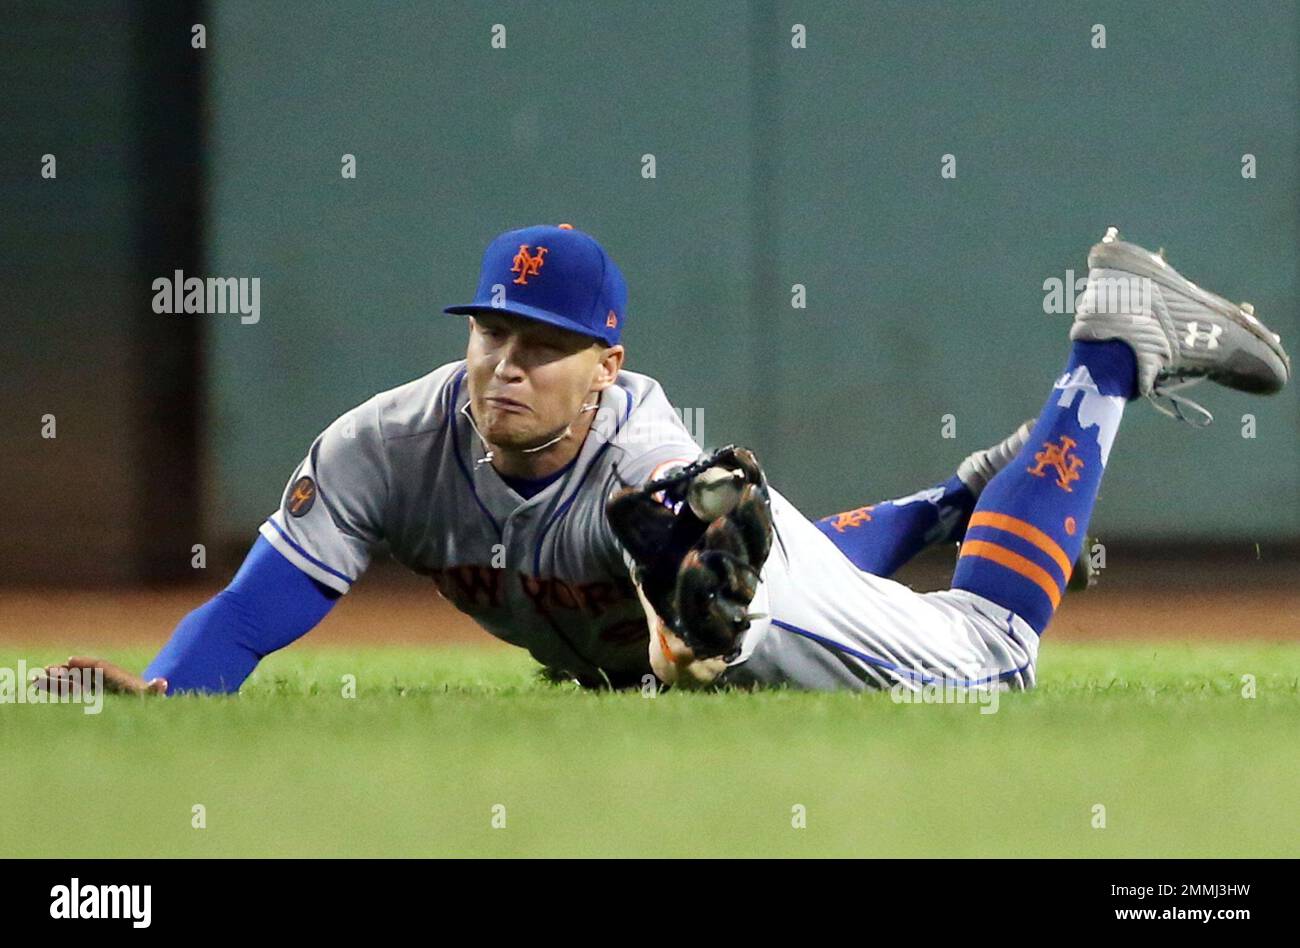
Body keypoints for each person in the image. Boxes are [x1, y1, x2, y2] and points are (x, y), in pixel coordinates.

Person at [41, 224, 1289, 695]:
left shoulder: (644, 457)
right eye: (490, 333)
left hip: (753, 619)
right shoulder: (384, 446)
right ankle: (965, 492)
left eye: (545, 344)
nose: (505, 365)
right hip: (763, 572)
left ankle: (1110, 354)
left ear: (608, 362)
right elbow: (250, 615)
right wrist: (163, 703)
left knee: (994, 654)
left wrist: (694, 633)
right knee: (769, 568)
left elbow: (695, 642)